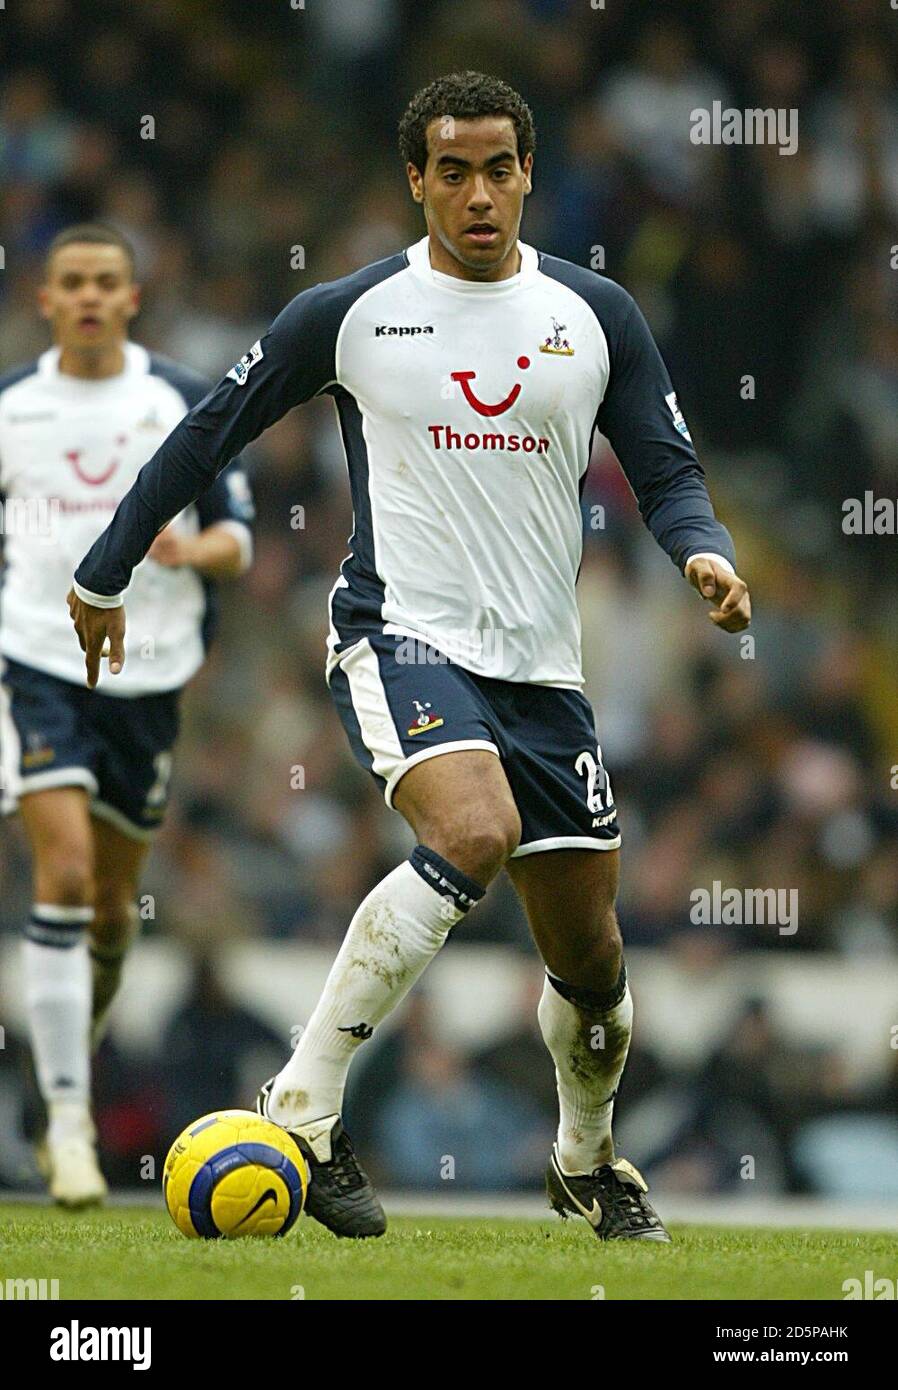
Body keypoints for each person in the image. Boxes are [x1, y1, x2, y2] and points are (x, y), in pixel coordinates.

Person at [67, 73, 751, 1241]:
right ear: (416, 180)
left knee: (593, 977)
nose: (477, 193)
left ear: (529, 173)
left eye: (497, 168)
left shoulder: (596, 314)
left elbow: (668, 471)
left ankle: (585, 1160)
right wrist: (104, 566)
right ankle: (304, 1103)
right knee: (470, 832)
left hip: (545, 677)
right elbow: (207, 433)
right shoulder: (349, 311)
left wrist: (702, 554)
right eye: (452, 170)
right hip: (400, 634)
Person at [0, 223, 254, 1206]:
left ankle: (69, 1050)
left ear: (134, 297)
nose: (93, 296)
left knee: (111, 908)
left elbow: (237, 531)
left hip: (146, 674)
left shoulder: (182, 399)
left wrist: (196, 554)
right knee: (60, 872)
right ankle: (67, 1122)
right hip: (34, 659)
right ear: (47, 297)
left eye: (110, 280)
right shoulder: (13, 408)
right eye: (75, 282)